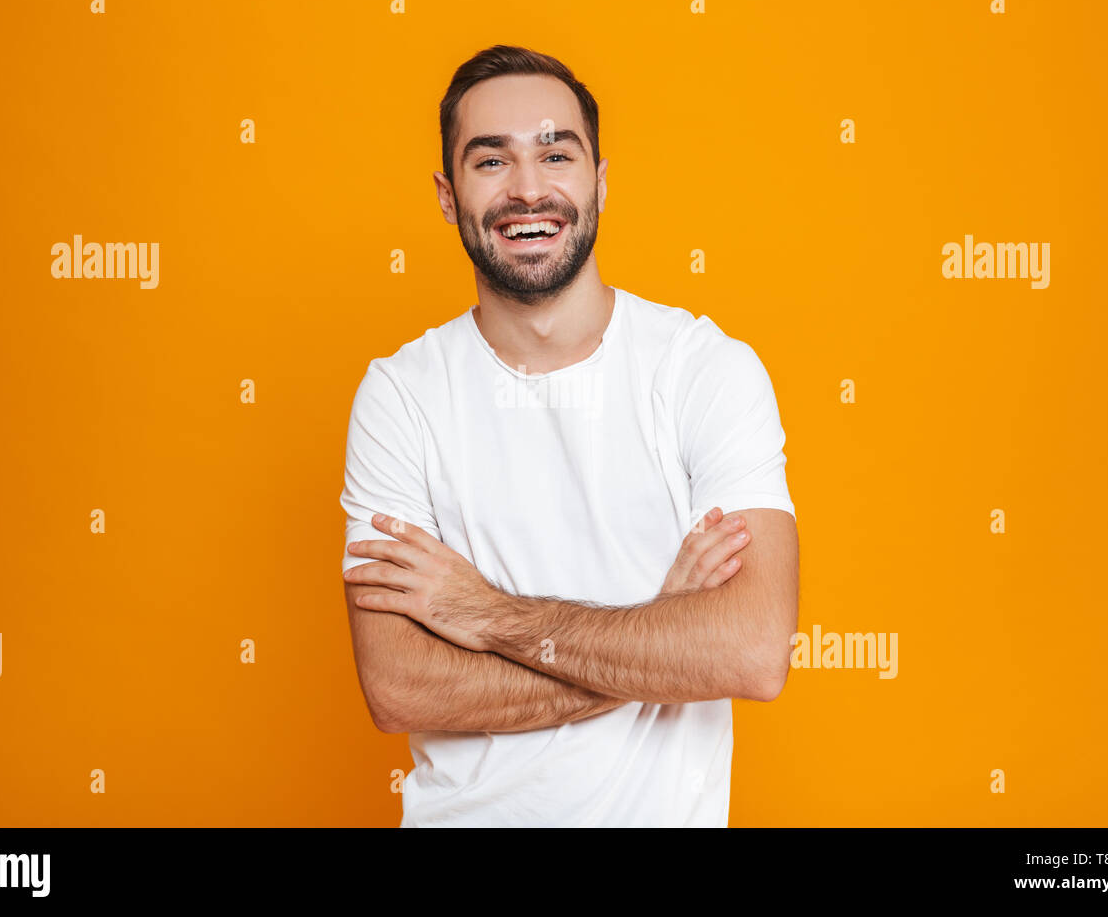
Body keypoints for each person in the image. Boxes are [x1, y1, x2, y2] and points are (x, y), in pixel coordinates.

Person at [340, 44, 799, 826]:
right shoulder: (400, 396)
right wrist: (659, 632)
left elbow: (751, 653)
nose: (527, 189)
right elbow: (401, 687)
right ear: (449, 197)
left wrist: (485, 614)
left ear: (600, 181)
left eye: (556, 153)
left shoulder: (705, 372)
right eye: (491, 161)